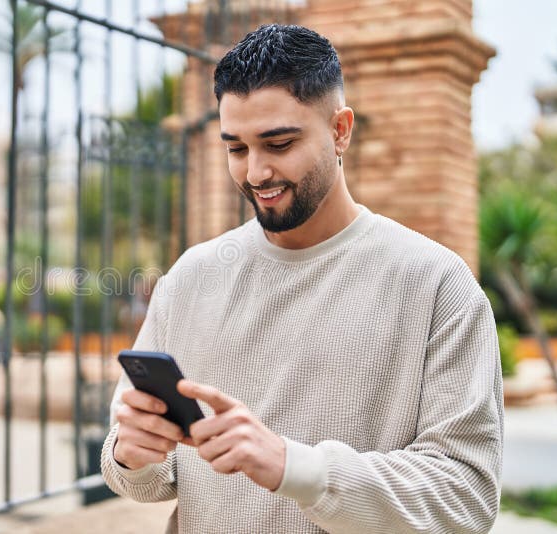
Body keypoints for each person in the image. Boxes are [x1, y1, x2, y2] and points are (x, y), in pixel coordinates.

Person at [100, 24, 503, 534]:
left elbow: (465, 498)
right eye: (237, 149)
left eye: (279, 143)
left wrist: (295, 468)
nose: (256, 173)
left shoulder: (437, 285)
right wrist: (133, 454)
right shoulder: (191, 277)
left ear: (340, 130)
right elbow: (146, 476)